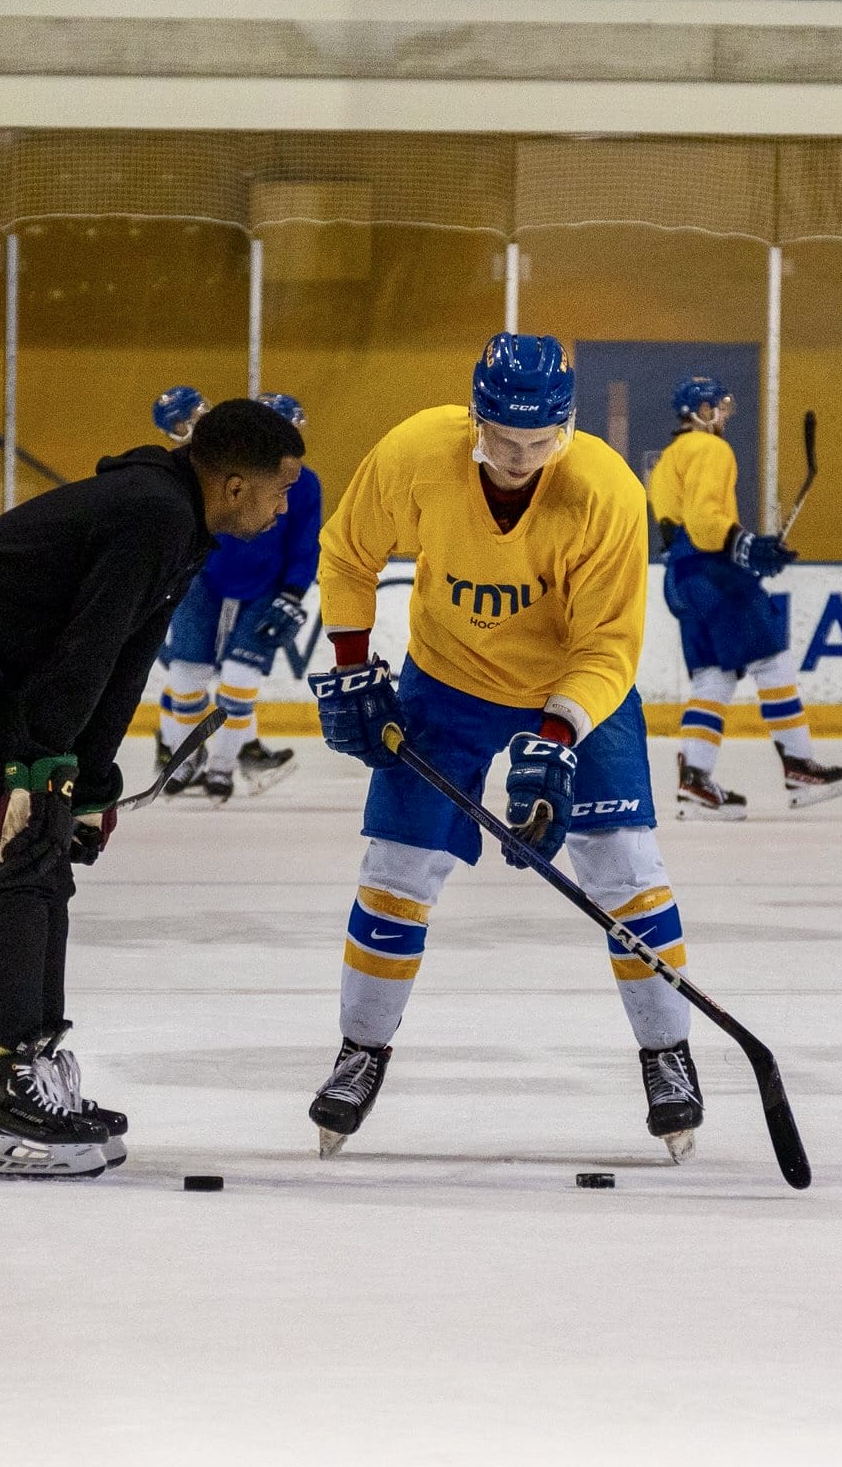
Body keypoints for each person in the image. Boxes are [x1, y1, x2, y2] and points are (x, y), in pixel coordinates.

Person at [0, 399, 306, 1178]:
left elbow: (122, 660)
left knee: (43, 860)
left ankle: (30, 1069)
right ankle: (2, 1088)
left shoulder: (179, 524)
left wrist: (90, 785)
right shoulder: (152, 515)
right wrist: (38, 768)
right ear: (235, 484)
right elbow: (86, 650)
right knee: (13, 863)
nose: (285, 507)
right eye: (281, 489)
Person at [304, 333, 707, 1163]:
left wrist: (557, 737)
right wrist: (350, 665)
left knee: (628, 871)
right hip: (445, 681)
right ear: (475, 419)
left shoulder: (604, 491)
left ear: (564, 426)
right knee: (396, 873)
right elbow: (348, 554)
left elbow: (607, 647)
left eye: (538, 444)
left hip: (570, 689)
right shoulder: (418, 451)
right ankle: (360, 1053)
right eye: (502, 441)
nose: (519, 462)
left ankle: (669, 1057)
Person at [646, 375, 842, 819]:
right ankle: (799, 768)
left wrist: (750, 552)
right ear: (700, 412)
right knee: (771, 659)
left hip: (681, 580)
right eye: (716, 407)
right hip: (713, 575)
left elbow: (683, 529)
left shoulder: (667, 459)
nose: (723, 416)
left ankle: (695, 783)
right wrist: (746, 549)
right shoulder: (710, 449)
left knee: (713, 679)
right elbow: (704, 523)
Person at [152, 389, 324, 801]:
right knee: (185, 677)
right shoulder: (214, 470)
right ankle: (182, 758)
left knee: (239, 680)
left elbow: (305, 543)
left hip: (264, 587)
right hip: (203, 578)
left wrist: (293, 593)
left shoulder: (304, 482)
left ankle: (222, 769)